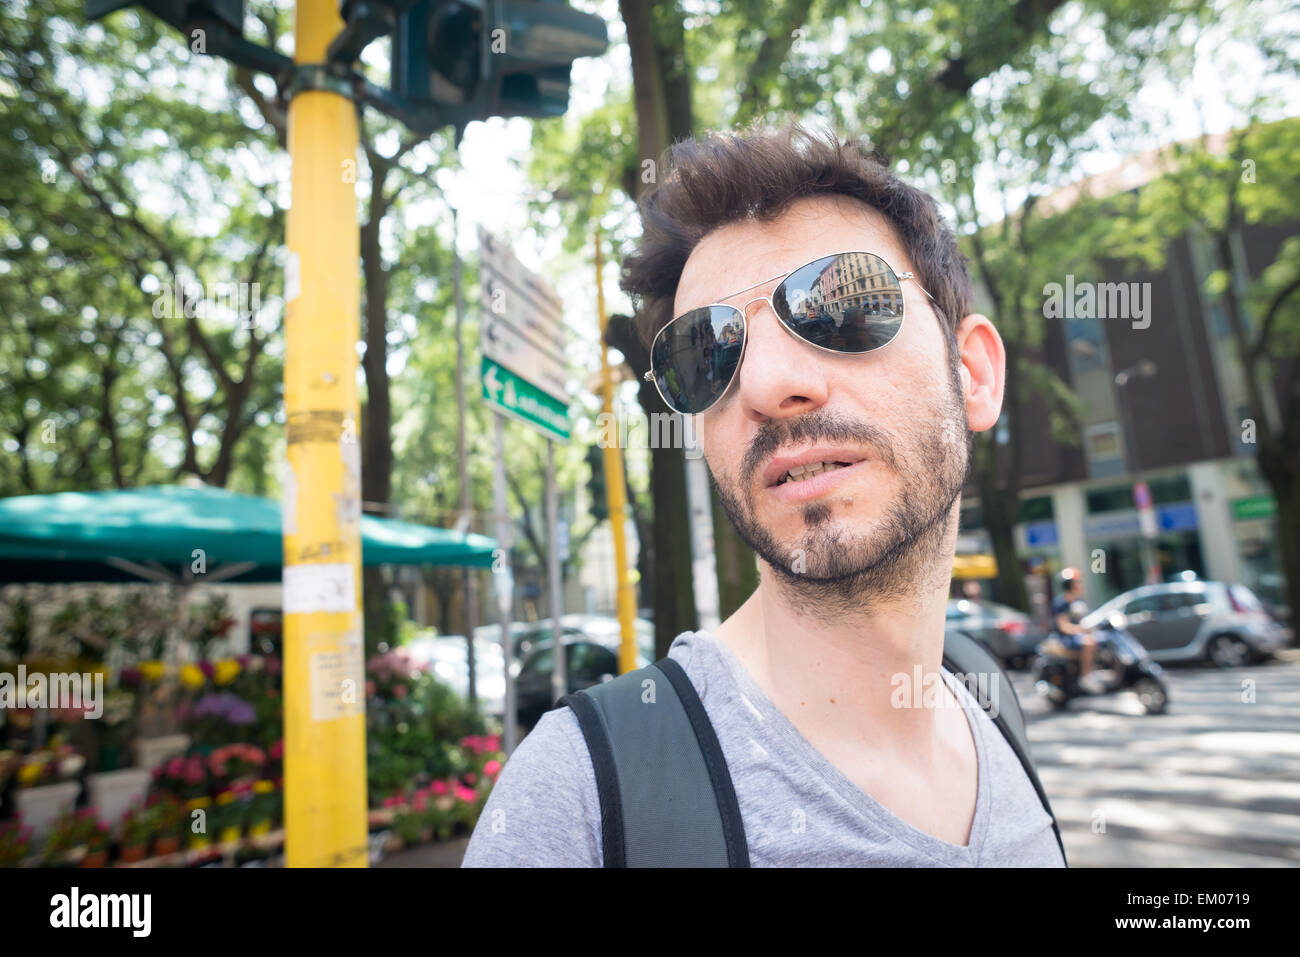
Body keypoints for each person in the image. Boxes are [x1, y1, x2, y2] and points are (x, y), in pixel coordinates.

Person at [462, 120, 1064, 867]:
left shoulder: (991, 706)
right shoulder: (579, 796)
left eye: (842, 306)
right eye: (706, 354)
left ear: (972, 373)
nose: (768, 384)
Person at [1050, 568, 1106, 694]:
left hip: (1078, 636)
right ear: (1069, 585)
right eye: (1078, 582)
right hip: (1065, 640)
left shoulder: (1078, 601)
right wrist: (1081, 630)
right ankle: (1086, 677)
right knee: (1089, 642)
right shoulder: (1061, 603)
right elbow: (1063, 626)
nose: (1081, 584)